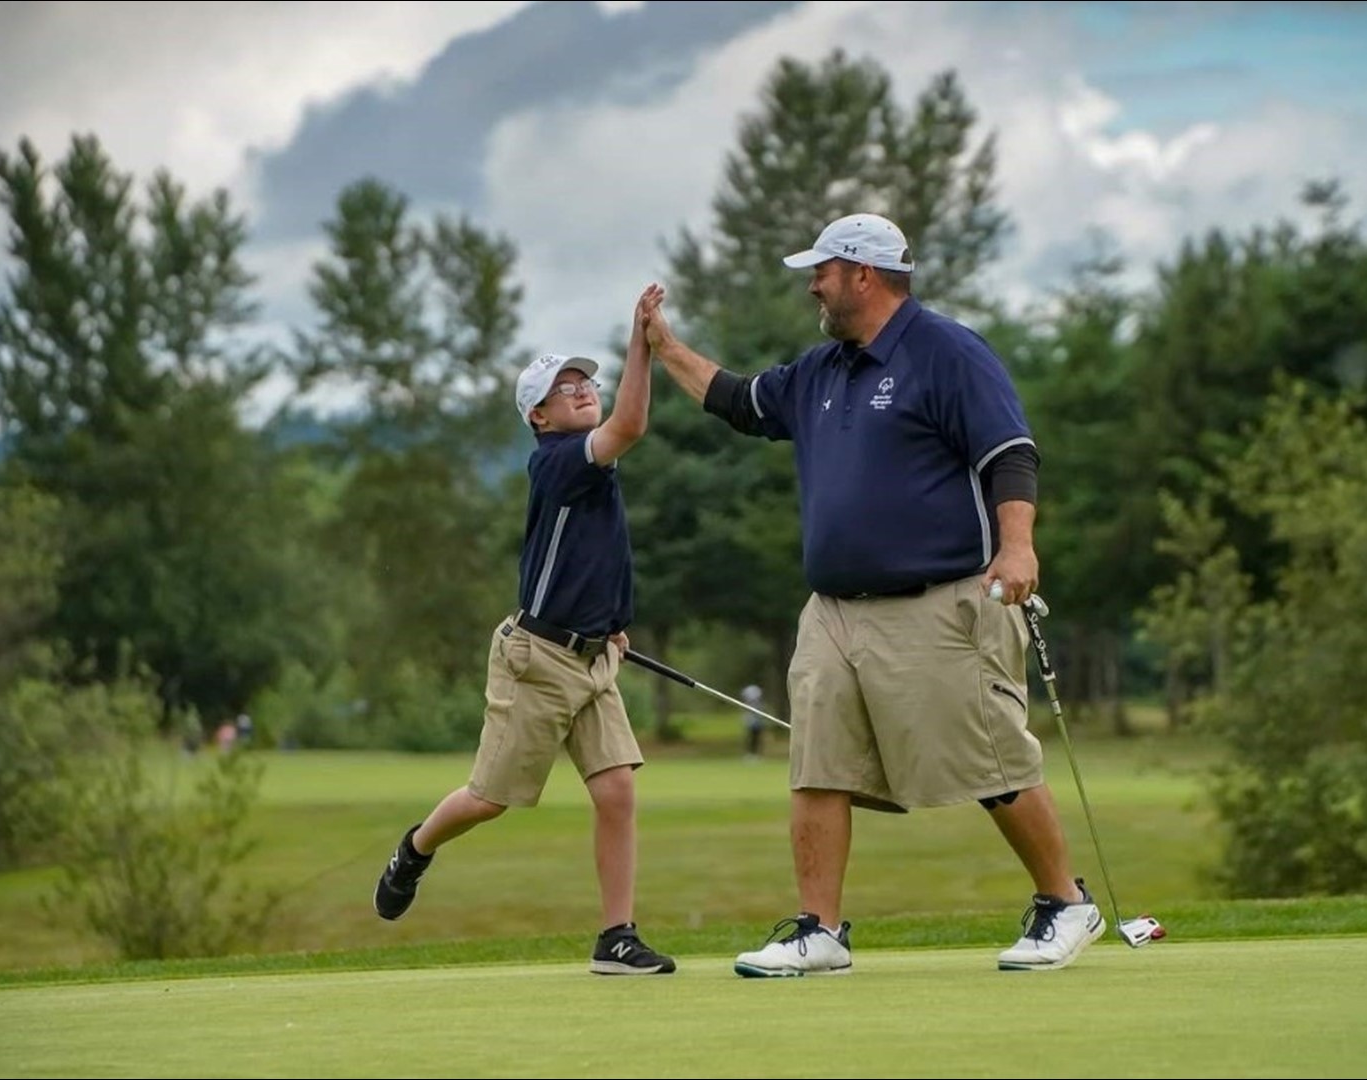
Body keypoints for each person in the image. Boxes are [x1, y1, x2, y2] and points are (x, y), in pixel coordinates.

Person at [643, 213, 1103, 977]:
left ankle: (1065, 902)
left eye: (821, 271)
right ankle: (819, 930)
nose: (811, 285)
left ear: (863, 274)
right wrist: (665, 348)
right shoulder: (821, 371)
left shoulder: (947, 352)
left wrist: (1017, 544)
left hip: (940, 600)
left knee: (990, 762)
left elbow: (1010, 453)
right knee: (818, 764)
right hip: (832, 613)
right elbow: (737, 401)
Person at [372, 284, 679, 977]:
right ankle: (415, 848)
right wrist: (642, 343)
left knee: (618, 788)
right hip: (536, 658)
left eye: (584, 381)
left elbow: (603, 557)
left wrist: (615, 625)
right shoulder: (560, 461)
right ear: (538, 417)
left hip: (593, 656)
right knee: (489, 800)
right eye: (562, 387)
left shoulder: (594, 466)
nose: (579, 389)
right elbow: (630, 424)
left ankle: (616, 938)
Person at [740, 684, 766, 760]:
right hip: (750, 722)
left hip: (758, 723)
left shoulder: (759, 704)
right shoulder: (748, 705)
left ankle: (756, 754)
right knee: (750, 739)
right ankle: (750, 754)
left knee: (757, 739)